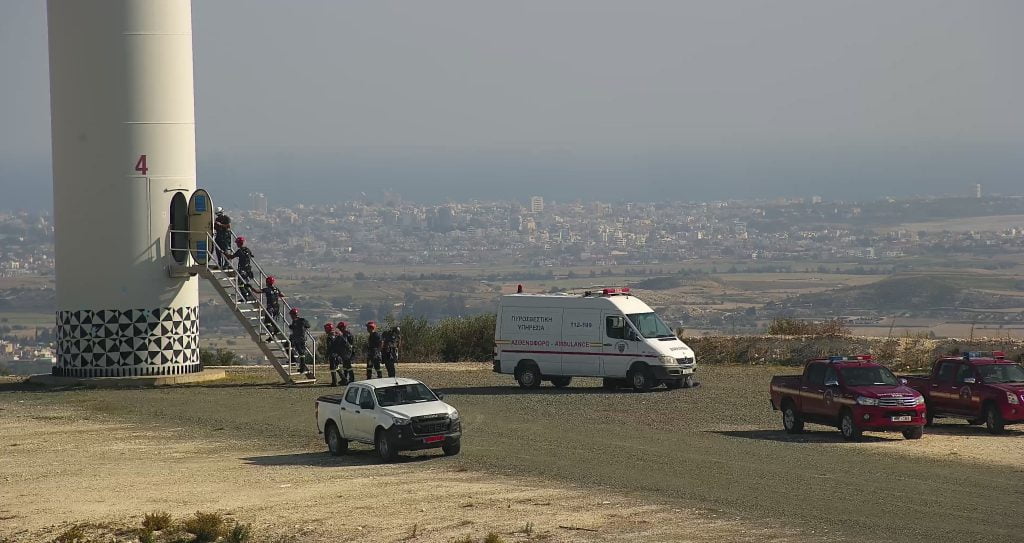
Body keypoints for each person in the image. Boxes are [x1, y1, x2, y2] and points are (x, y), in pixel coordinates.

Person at [255, 276, 284, 340]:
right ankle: (274, 332)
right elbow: (282, 294)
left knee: (267, 323)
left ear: (267, 283)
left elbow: (257, 291)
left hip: (270, 308)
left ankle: (273, 333)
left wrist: (250, 287)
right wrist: (276, 295)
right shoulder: (276, 289)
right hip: (277, 308)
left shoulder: (267, 289)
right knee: (272, 322)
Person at [288, 307, 311, 375]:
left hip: (300, 339)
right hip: (296, 339)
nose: (291, 316)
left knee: (301, 353)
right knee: (289, 347)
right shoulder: (297, 321)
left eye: (291, 315)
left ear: (294, 314)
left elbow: (308, 325)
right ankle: (295, 362)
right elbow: (307, 326)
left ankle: (302, 367)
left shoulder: (302, 320)